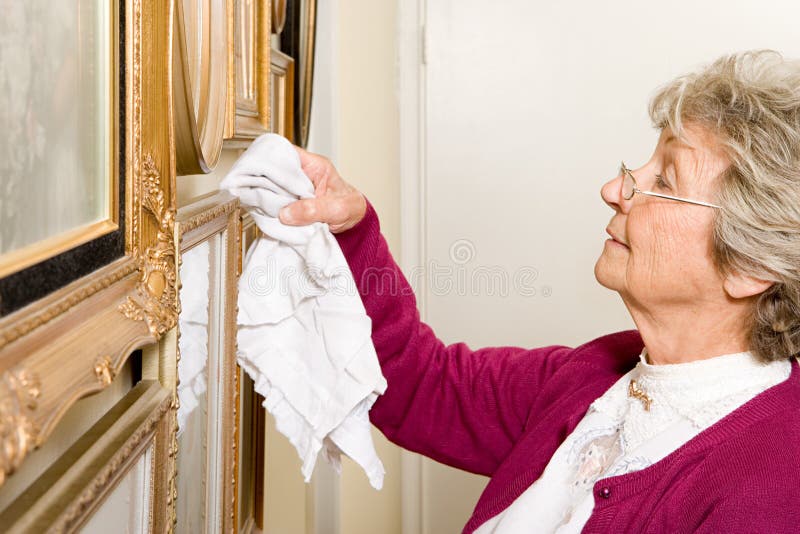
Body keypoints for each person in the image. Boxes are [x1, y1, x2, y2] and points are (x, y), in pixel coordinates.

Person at [278, 50, 800, 533]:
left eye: (663, 181)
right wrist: (352, 228)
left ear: (750, 264)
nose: (614, 189)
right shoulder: (598, 371)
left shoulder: (769, 491)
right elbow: (418, 384)